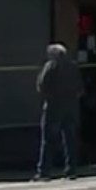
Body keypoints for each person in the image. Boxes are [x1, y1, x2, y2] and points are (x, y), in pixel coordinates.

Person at [35, 43, 84, 181]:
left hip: (54, 107)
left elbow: (41, 85)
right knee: (70, 140)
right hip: (71, 107)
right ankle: (71, 170)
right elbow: (80, 88)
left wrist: (48, 98)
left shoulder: (50, 66)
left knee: (48, 140)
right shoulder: (74, 67)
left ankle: (44, 172)